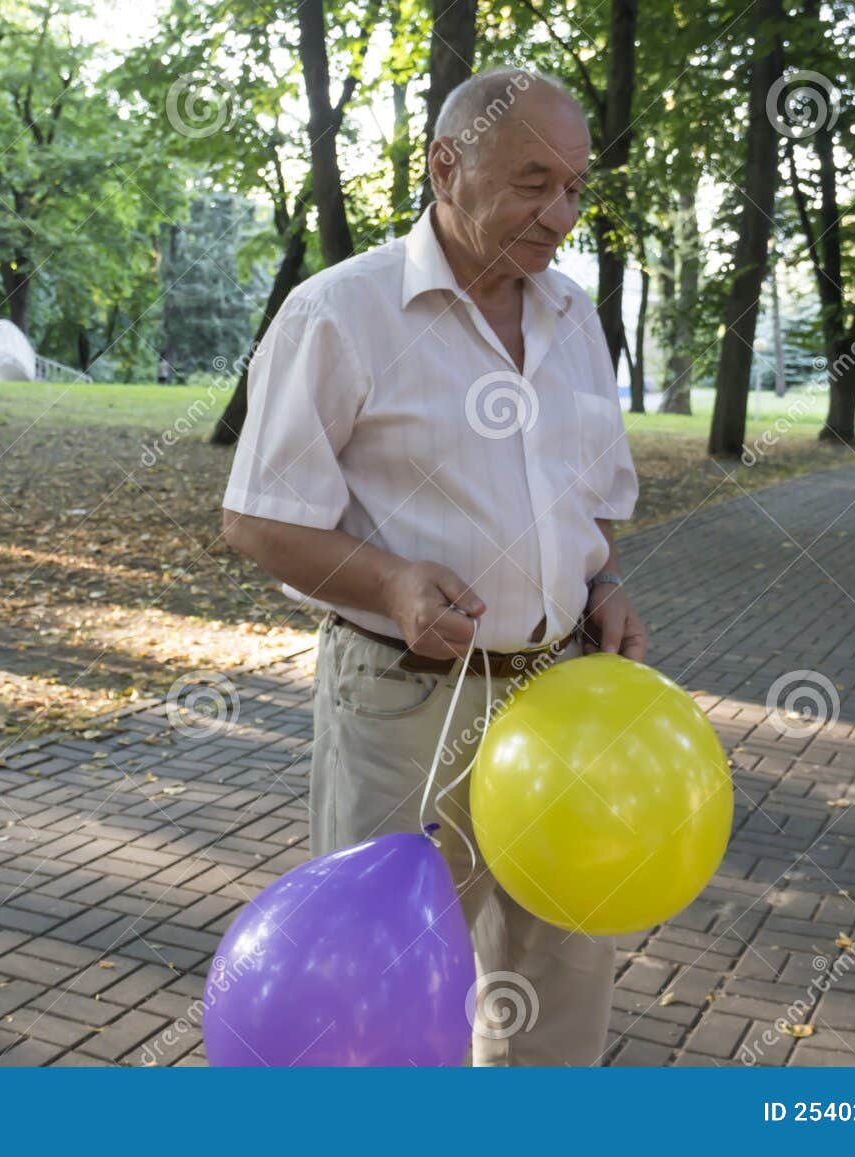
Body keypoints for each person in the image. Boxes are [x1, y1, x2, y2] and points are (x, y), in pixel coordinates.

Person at [220, 67, 647, 1066]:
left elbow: (590, 506)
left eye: (576, 186)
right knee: (385, 1004)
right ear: (444, 166)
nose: (561, 212)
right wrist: (391, 581)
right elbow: (255, 518)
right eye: (533, 180)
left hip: (560, 696)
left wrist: (605, 584)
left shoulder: (573, 316)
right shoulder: (339, 312)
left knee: (561, 979)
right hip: (405, 706)